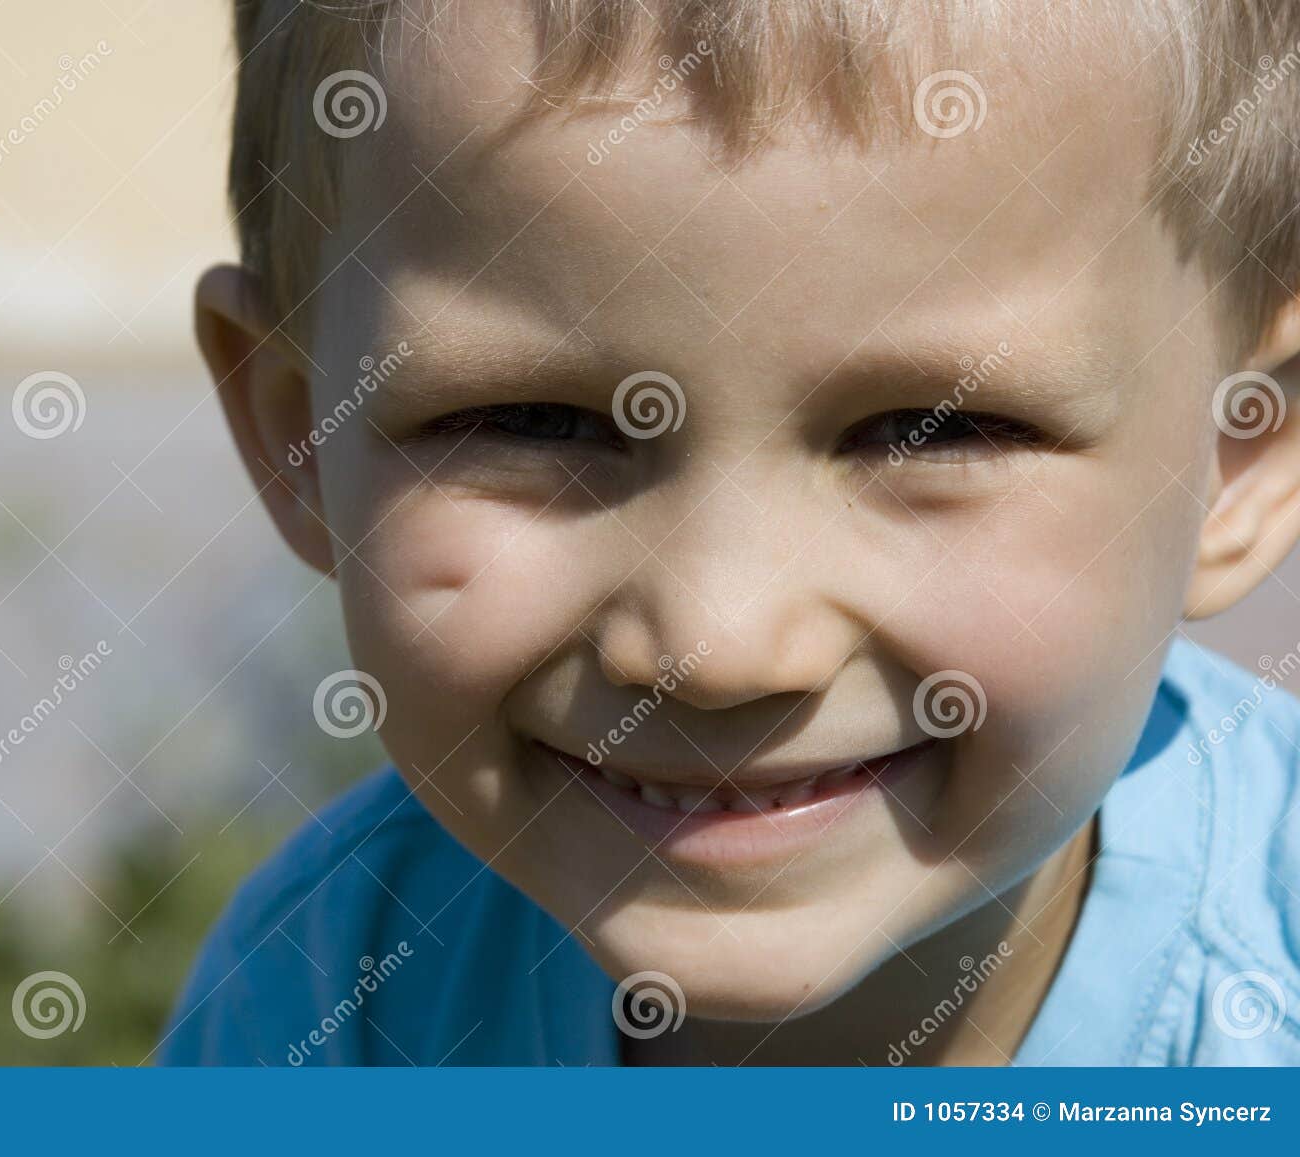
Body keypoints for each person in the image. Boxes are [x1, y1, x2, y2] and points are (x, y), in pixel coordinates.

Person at [161, 0, 1300, 1065]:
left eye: (932, 430)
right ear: (300, 433)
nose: (715, 649)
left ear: (1240, 449)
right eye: (533, 421)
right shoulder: (320, 1005)